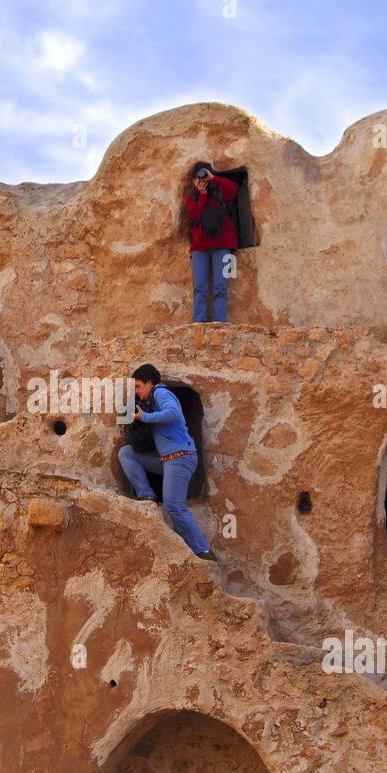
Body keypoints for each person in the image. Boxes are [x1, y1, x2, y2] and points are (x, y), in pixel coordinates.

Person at [118, 364, 217, 562]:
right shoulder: (149, 401)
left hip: (181, 457)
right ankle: (146, 494)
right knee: (127, 453)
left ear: (149, 383)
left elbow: (173, 413)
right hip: (166, 460)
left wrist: (144, 416)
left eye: (138, 386)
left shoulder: (162, 393)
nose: (137, 391)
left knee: (174, 506)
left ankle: (203, 552)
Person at [184, 161, 238, 323]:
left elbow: (234, 189)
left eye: (204, 176)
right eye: (197, 178)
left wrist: (214, 179)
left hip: (223, 246)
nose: (201, 180)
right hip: (199, 249)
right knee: (199, 289)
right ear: (194, 181)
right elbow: (195, 215)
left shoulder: (222, 193)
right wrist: (202, 195)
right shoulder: (192, 199)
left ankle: (218, 324)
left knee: (221, 289)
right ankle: (198, 324)